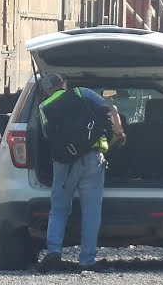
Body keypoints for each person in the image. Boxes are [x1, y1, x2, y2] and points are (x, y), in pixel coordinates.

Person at [35, 72, 125, 273]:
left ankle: (54, 252)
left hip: (63, 163)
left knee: (59, 208)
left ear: (47, 91)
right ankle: (87, 260)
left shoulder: (43, 107)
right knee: (91, 211)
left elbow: (47, 135)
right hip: (92, 159)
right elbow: (111, 110)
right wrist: (118, 134)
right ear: (64, 84)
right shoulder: (81, 92)